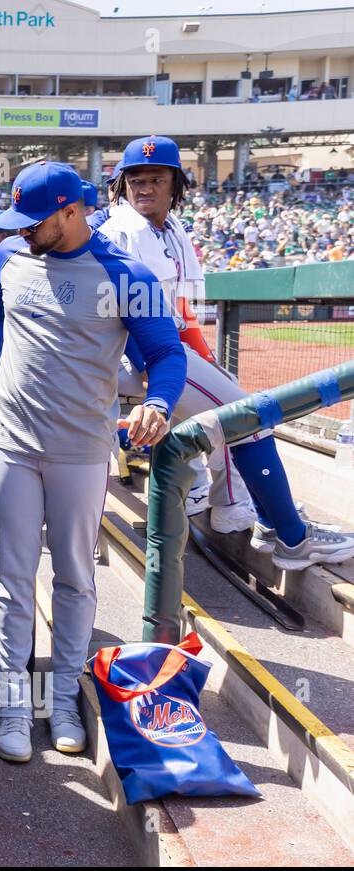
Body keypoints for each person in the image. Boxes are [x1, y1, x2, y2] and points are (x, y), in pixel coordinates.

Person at [0, 161, 188, 763]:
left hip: (81, 450)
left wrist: (160, 404)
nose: (22, 230)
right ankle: (13, 703)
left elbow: (166, 352)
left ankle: (62, 700)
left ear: (71, 211)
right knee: (9, 579)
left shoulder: (126, 275)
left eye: (34, 220)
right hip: (11, 441)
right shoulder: (9, 256)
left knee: (74, 577)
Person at [99, 136, 354, 568]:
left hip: (169, 347)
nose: (144, 188)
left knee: (233, 403)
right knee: (246, 416)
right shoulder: (120, 230)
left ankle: (243, 510)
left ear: (175, 184)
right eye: (135, 180)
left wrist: (207, 362)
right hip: (135, 355)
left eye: (156, 179)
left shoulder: (174, 230)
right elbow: (116, 318)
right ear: (123, 185)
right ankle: (292, 538)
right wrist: (161, 378)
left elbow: (186, 311)